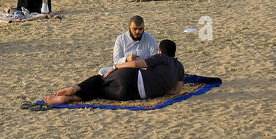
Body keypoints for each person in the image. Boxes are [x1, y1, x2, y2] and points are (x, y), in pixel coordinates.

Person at [43, 40, 187, 104]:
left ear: (160, 51)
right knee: (99, 92)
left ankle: (75, 88)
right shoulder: (180, 67)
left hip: (132, 76)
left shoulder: (160, 57)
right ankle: (72, 99)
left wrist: (117, 67)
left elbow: (137, 64)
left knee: (99, 80)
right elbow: (175, 91)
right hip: (135, 94)